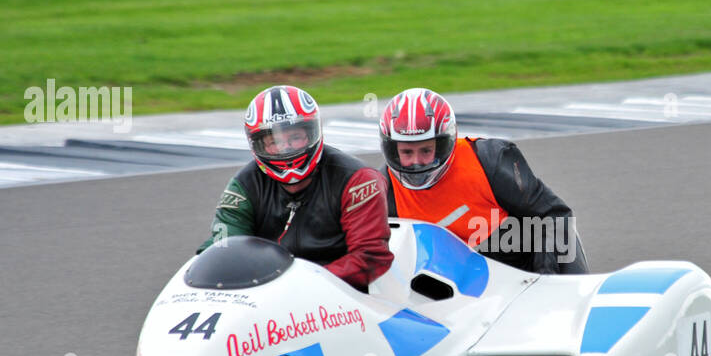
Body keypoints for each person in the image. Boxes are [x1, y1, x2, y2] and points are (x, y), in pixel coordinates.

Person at [197, 85, 392, 289]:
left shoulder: (357, 180)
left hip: (340, 296)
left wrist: (302, 286)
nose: (286, 148)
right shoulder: (245, 185)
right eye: (274, 141)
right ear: (258, 144)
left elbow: (370, 257)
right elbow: (222, 249)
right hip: (266, 292)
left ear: (312, 133)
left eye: (295, 138)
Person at [379, 87, 588, 274]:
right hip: (452, 286)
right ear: (392, 151)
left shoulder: (490, 161)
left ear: (444, 144)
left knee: (563, 236)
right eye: (407, 152)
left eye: (426, 150)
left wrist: (548, 279)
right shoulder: (384, 191)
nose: (417, 163)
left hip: (522, 269)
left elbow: (553, 214)